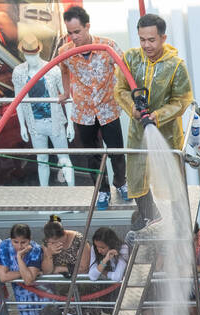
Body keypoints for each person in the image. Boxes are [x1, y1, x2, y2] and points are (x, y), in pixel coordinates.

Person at [113, 13, 192, 228]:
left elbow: (182, 100)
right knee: (137, 173)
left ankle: (180, 221)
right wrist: (133, 109)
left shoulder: (175, 66)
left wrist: (157, 116)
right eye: (142, 39)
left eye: (151, 40)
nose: (146, 45)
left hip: (166, 133)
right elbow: (120, 90)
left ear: (163, 38)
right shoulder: (130, 58)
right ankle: (150, 214)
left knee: (172, 178)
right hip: (138, 131)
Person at [58, 5, 125, 209]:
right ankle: (102, 191)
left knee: (116, 151)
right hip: (83, 112)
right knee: (93, 154)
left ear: (87, 26)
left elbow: (123, 69)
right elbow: (63, 71)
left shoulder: (108, 45)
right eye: (70, 33)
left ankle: (121, 183)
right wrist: (66, 92)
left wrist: (125, 93)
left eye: (77, 32)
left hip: (108, 109)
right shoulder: (65, 52)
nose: (74, 37)